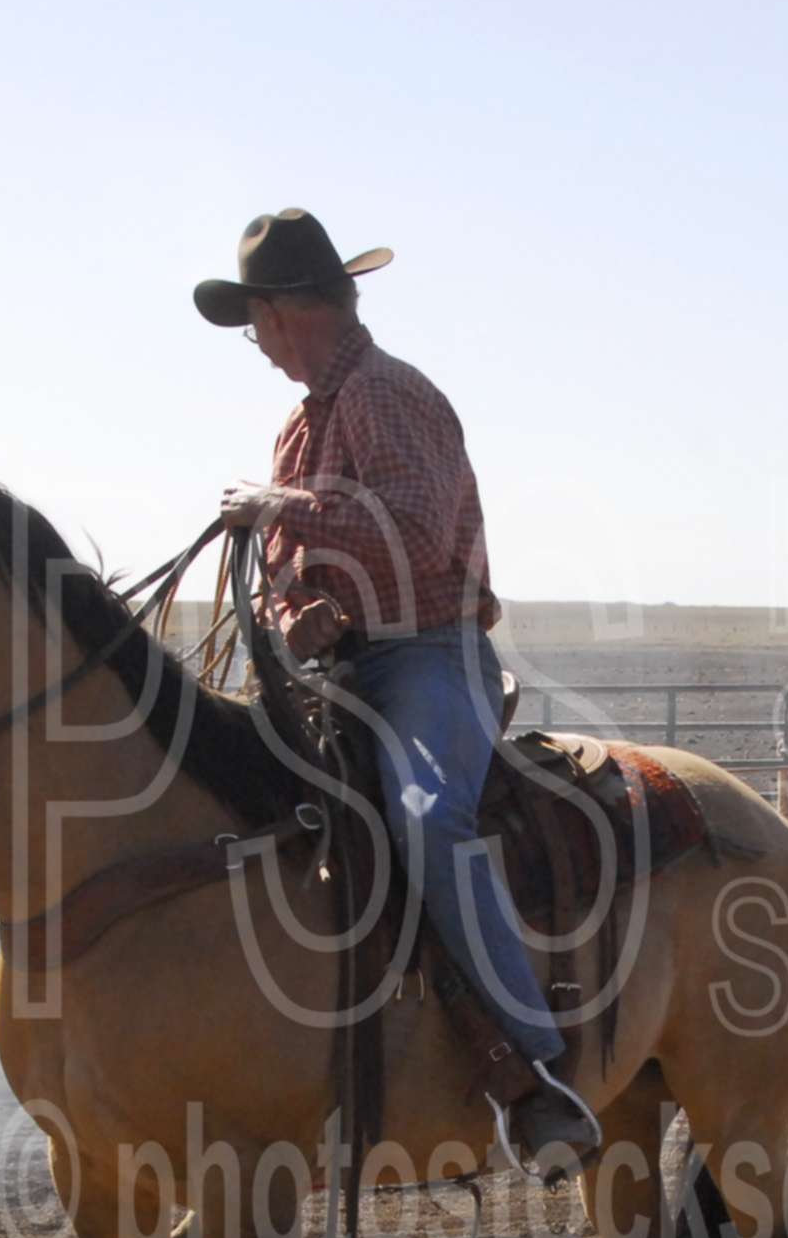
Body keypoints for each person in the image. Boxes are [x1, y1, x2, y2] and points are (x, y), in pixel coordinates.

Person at [196, 208, 599, 1174]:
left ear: (294, 310)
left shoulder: (389, 395)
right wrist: (294, 607)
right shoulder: (301, 425)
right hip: (339, 668)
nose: (256, 345)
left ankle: (534, 1069)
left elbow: (416, 532)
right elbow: (293, 563)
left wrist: (276, 507)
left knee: (428, 814)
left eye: (256, 322)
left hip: (428, 654)